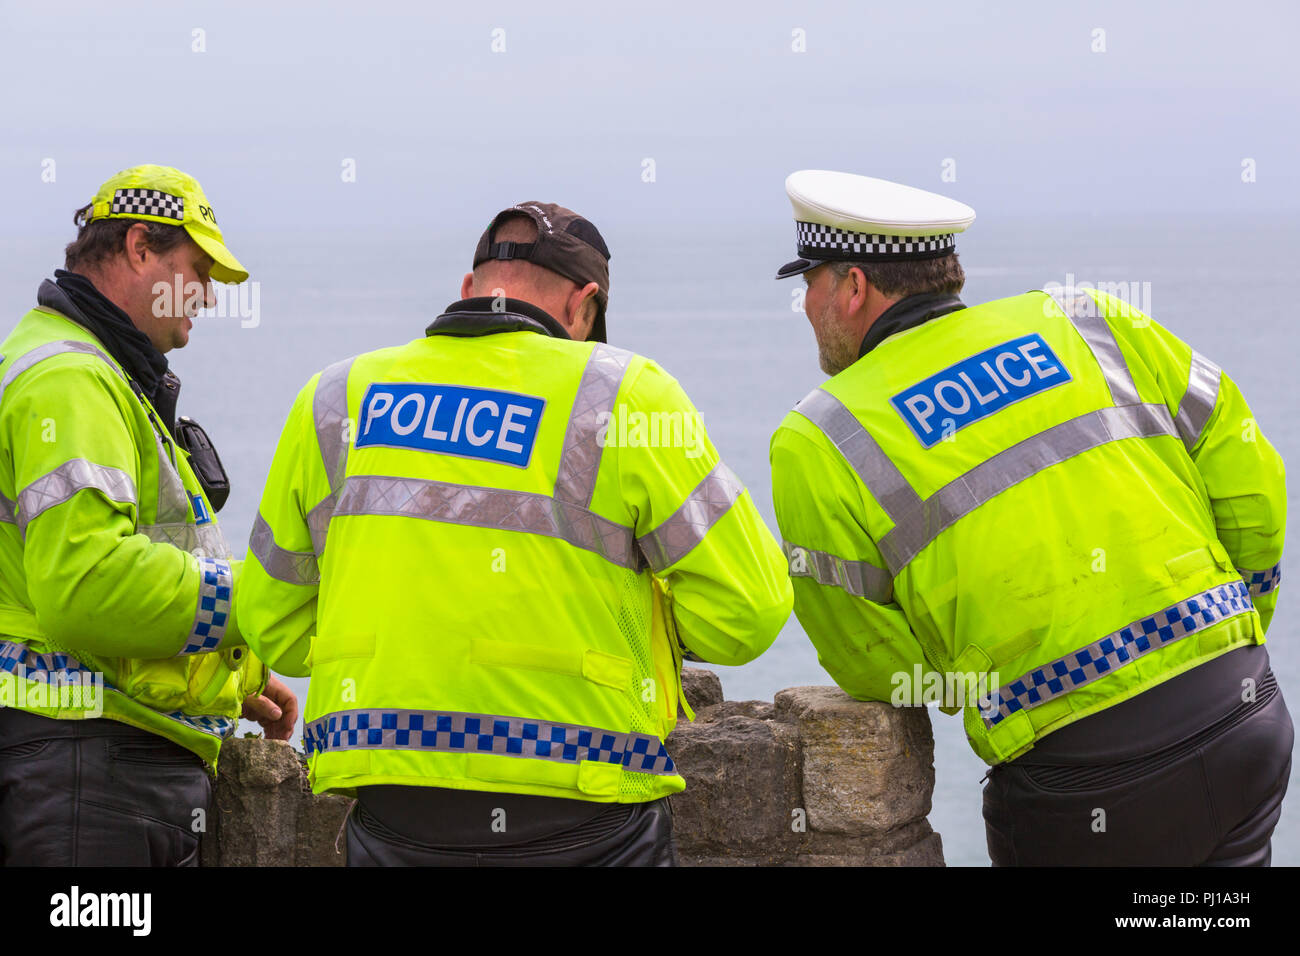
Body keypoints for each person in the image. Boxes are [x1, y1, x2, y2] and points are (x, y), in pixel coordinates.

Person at [239, 201, 792, 865]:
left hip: (392, 810)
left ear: (470, 287)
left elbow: (274, 626)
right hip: (588, 813)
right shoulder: (623, 395)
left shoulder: (333, 398)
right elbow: (749, 615)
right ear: (585, 305)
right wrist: (639, 620)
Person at [769, 169, 1291, 866]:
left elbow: (867, 655)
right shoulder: (1088, 319)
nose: (804, 305)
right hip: (1243, 717)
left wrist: (980, 677)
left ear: (855, 286)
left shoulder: (820, 436)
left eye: (810, 281)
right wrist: (1244, 614)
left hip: (1082, 783)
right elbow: (1247, 468)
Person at [0, 165, 298, 867]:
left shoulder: (94, 373)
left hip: (88, 765)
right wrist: (257, 601)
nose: (205, 298)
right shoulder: (72, 380)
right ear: (139, 247)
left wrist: (240, 673)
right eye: (195, 270)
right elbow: (88, 585)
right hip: (86, 769)